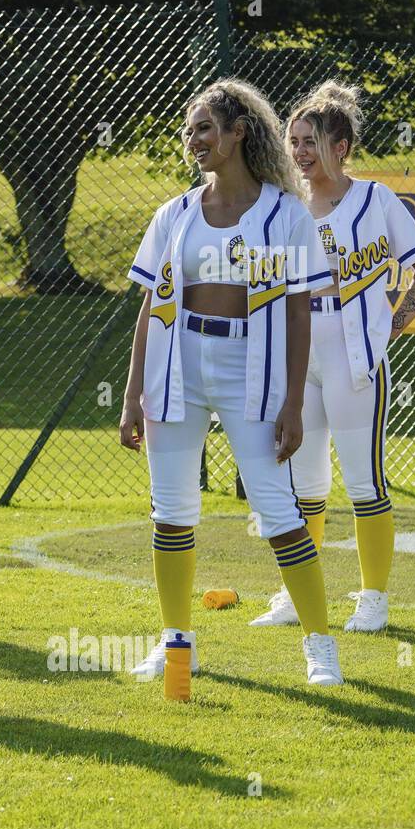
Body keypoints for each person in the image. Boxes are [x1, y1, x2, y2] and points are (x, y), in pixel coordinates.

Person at [119, 78, 343, 686]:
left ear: (240, 131)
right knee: (170, 513)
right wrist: (133, 393)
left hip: (255, 369)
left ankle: (320, 645)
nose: (194, 140)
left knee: (279, 511)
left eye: (205, 128)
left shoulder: (284, 213)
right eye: (190, 130)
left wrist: (295, 401)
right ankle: (175, 645)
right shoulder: (176, 214)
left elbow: (299, 313)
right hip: (179, 365)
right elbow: (151, 308)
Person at [249, 81, 415, 631]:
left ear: (342, 146)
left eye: (310, 140)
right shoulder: (281, 207)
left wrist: (391, 327)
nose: (299, 151)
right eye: (293, 141)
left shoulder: (376, 200)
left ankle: (373, 598)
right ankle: (296, 595)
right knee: (303, 487)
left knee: (363, 484)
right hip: (297, 359)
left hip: (354, 359)